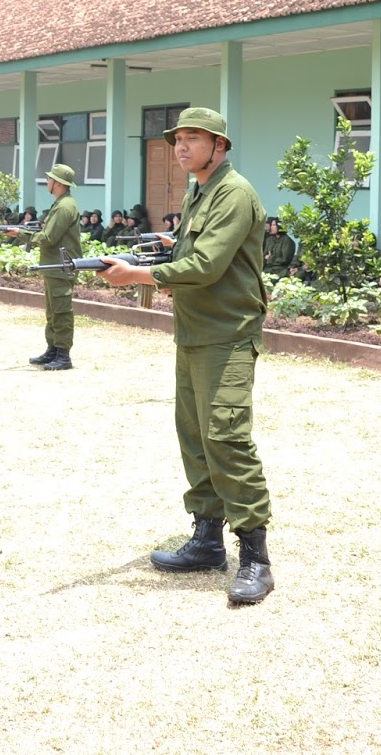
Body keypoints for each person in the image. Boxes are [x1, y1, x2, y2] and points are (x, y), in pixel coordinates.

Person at [98, 107, 273, 606]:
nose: (181, 147)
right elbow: (195, 251)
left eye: (194, 138)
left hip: (227, 334)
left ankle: (256, 557)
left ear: (220, 145)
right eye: (178, 139)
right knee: (195, 437)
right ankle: (207, 540)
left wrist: (136, 275)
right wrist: (170, 248)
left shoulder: (234, 192)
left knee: (226, 436)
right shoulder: (200, 191)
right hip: (195, 330)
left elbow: (208, 264)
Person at [7, 163, 80, 371]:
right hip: (54, 265)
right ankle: (53, 349)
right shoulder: (61, 204)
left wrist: (21, 233)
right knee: (53, 311)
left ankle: (63, 355)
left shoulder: (65, 206)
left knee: (61, 311)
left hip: (61, 266)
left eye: (49, 179)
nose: (47, 182)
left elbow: (48, 237)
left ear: (57, 183)